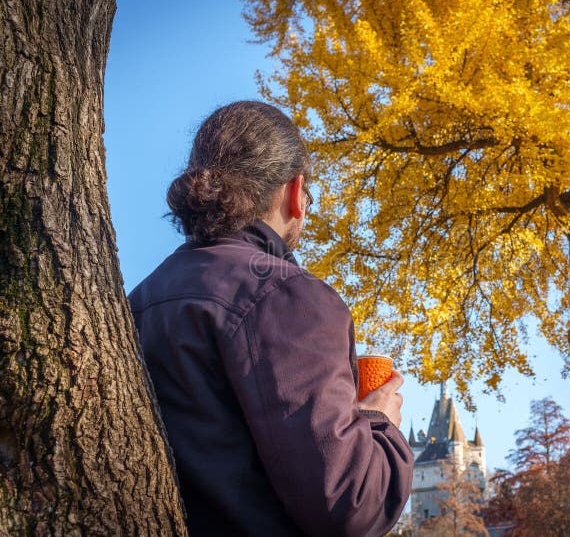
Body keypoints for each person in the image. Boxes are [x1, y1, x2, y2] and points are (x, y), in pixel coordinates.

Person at [127, 101, 413, 536]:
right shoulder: (288, 296)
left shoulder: (138, 299)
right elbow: (348, 504)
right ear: (294, 192)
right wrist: (380, 425)